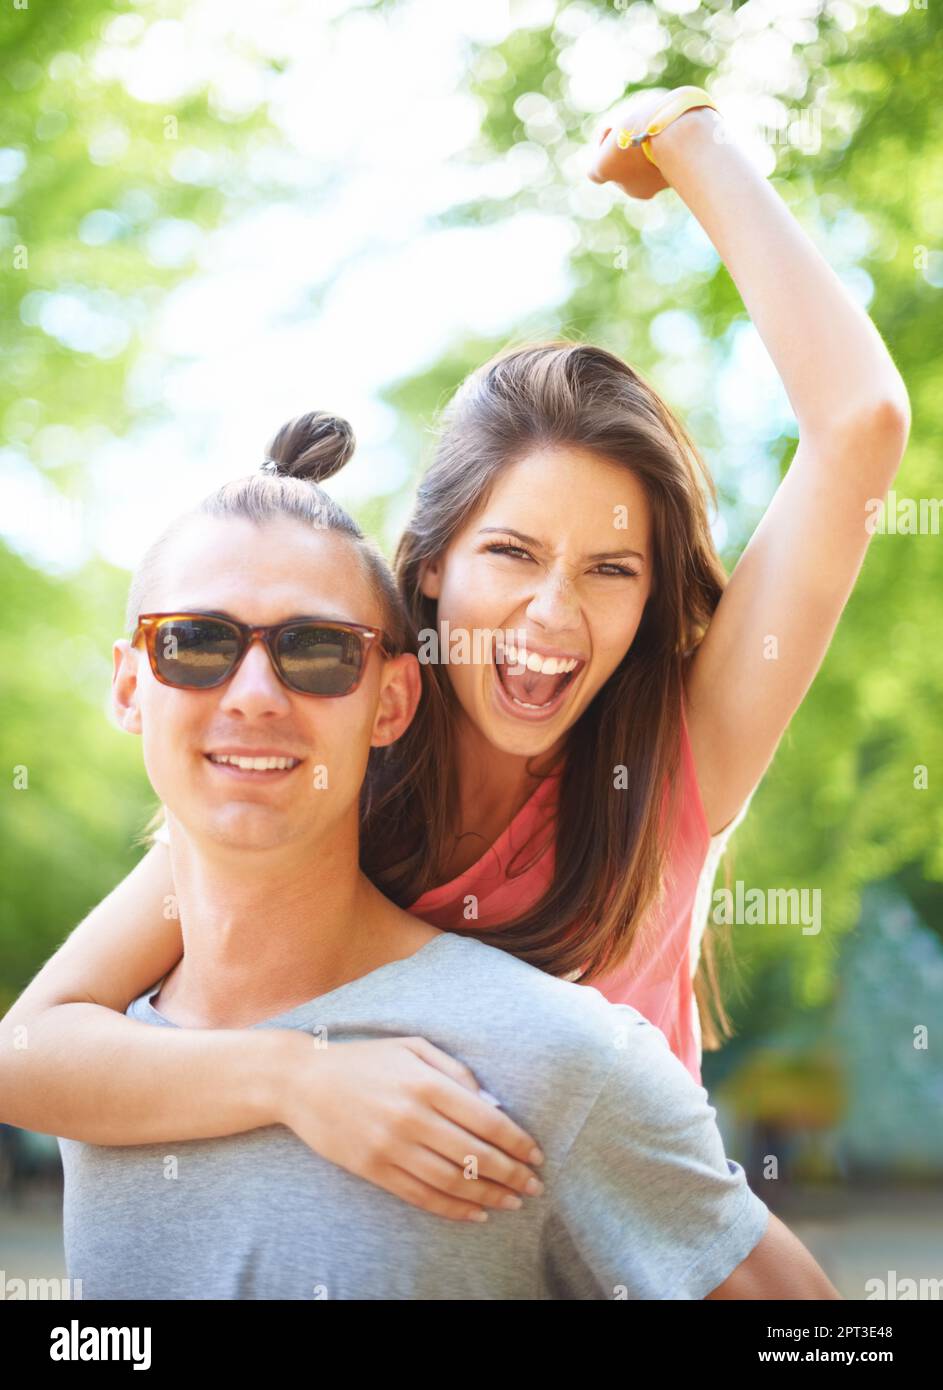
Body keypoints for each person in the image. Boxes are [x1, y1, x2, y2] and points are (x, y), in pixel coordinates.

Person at [0, 87, 910, 1223]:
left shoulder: (680, 759)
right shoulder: (328, 764)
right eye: (512, 552)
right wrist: (296, 1076)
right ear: (428, 565)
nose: (550, 617)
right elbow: (31, 1052)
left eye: (609, 571)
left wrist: (691, 144)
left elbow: (859, 423)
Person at [56, 473, 836, 1299]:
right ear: (129, 686)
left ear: (392, 699)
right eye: (196, 644)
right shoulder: (101, 1061)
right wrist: (288, 1077)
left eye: (318, 651)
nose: (253, 696)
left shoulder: (552, 1063)